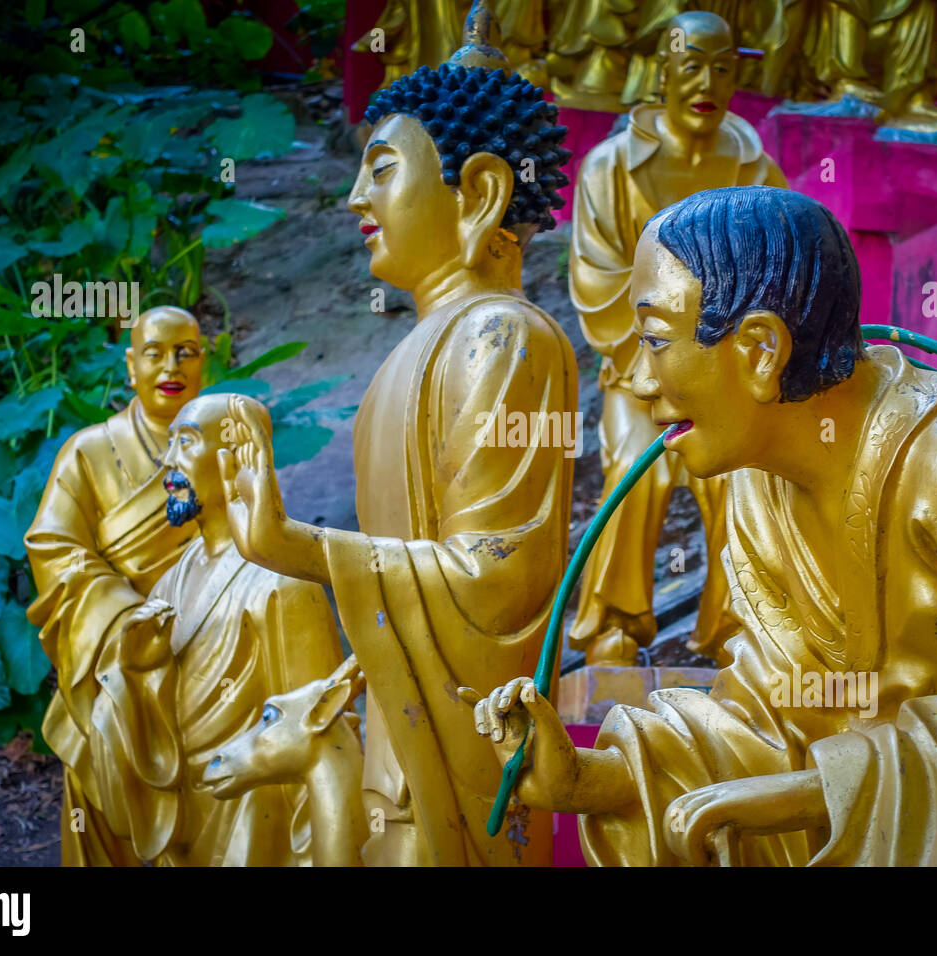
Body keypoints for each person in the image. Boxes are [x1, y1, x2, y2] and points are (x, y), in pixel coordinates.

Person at [469, 186, 937, 866]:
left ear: (758, 349)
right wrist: (591, 782)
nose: (637, 381)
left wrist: (826, 791)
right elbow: (770, 722)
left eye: (654, 341)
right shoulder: (755, 484)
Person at [220, 5, 577, 866]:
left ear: (481, 192)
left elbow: (500, 582)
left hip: (460, 758)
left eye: (381, 170)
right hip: (399, 743)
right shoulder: (407, 360)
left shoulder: (504, 339)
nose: (354, 199)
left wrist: (293, 545)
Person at [569, 10, 787, 666]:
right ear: (660, 71)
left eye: (723, 68)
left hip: (727, 378)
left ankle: (733, 627)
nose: (707, 82)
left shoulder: (751, 165)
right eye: (691, 65)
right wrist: (658, 357)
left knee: (745, 482)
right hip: (639, 372)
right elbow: (597, 274)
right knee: (635, 476)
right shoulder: (610, 167)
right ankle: (614, 624)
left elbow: (782, 264)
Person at [89, 394, 346, 866]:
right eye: (169, 444)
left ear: (234, 455)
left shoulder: (280, 583)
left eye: (185, 443)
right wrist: (139, 673)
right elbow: (150, 703)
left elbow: (320, 730)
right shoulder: (173, 578)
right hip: (185, 811)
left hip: (254, 820)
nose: (167, 463)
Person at [24, 306, 203, 866]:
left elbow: (257, 545)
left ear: (204, 362)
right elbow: (52, 548)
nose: (170, 366)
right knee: (104, 798)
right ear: (131, 365)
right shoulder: (88, 451)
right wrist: (123, 616)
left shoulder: (222, 445)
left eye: (185, 352)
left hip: (208, 651)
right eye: (154, 353)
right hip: (114, 660)